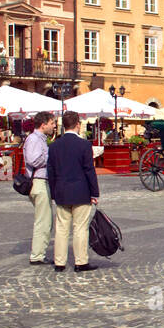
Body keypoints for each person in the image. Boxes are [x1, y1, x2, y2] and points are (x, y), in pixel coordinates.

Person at [45, 111, 100, 272]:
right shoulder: (84, 145)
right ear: (77, 124)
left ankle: (60, 262)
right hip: (81, 191)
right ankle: (80, 262)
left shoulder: (54, 146)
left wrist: (54, 192)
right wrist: (94, 192)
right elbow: (89, 170)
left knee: (61, 228)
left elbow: (51, 171)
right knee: (80, 228)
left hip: (62, 191)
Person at [23, 112, 57, 266]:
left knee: (45, 219)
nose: (54, 126)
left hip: (42, 181)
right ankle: (37, 255)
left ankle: (39, 253)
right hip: (38, 181)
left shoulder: (40, 139)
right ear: (43, 124)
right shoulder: (34, 139)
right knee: (43, 220)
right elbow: (33, 160)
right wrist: (51, 157)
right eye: (52, 123)